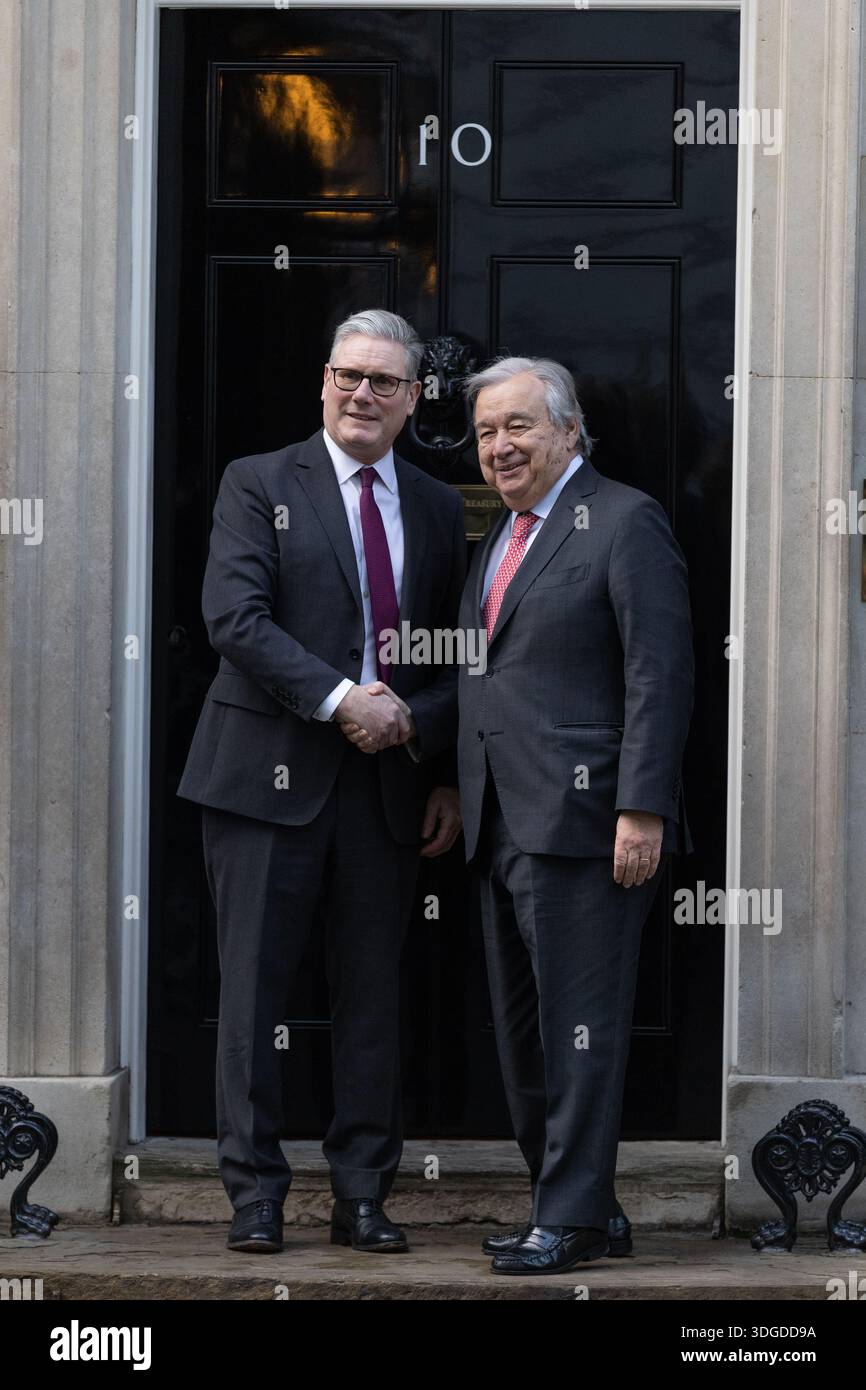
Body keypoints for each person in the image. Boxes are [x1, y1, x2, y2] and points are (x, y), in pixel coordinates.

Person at [178, 309, 465, 1254]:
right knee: (253, 995)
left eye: (384, 381)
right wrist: (343, 699)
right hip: (263, 780)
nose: (362, 394)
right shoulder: (258, 482)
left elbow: (453, 649)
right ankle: (255, 1194)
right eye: (349, 375)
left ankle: (363, 1196)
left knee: (372, 1000)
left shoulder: (436, 505)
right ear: (324, 381)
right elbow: (235, 618)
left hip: (388, 790)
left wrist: (438, 763)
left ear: (413, 398)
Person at [456, 356, 694, 1275]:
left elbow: (658, 672)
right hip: (497, 821)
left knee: (580, 1034)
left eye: (518, 425)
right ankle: (581, 1206)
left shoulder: (626, 520)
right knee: (524, 1037)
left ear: (568, 429)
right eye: (486, 432)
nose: (500, 446)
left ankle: (572, 1220)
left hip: (591, 824)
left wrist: (641, 806)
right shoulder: (499, 536)